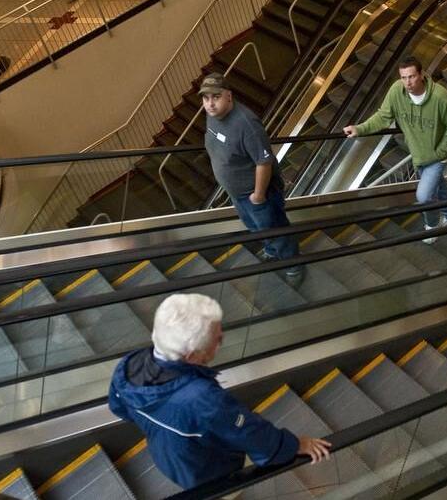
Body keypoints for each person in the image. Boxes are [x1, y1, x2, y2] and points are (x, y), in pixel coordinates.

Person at [109, 294, 331, 490]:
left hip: (166, 455)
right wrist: (292, 445)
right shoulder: (201, 398)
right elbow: (249, 433)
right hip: (207, 470)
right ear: (191, 356)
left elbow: (119, 407)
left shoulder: (129, 366)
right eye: (217, 339)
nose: (222, 339)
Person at [343, 56, 447, 245]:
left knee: (424, 196)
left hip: (437, 156)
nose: (407, 82)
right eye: (403, 77)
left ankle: (432, 226)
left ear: (422, 75)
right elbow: (383, 117)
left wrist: (439, 153)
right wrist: (360, 129)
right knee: (438, 185)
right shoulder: (396, 92)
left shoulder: (441, 97)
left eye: (412, 77)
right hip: (418, 155)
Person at [200, 73, 304, 286]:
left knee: (275, 229)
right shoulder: (213, 115)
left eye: (216, 97)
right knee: (255, 227)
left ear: (229, 96)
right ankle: (272, 251)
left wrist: (258, 195)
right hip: (237, 193)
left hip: (257, 194)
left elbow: (263, 162)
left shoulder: (246, 124)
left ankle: (293, 265)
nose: (210, 104)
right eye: (206, 98)